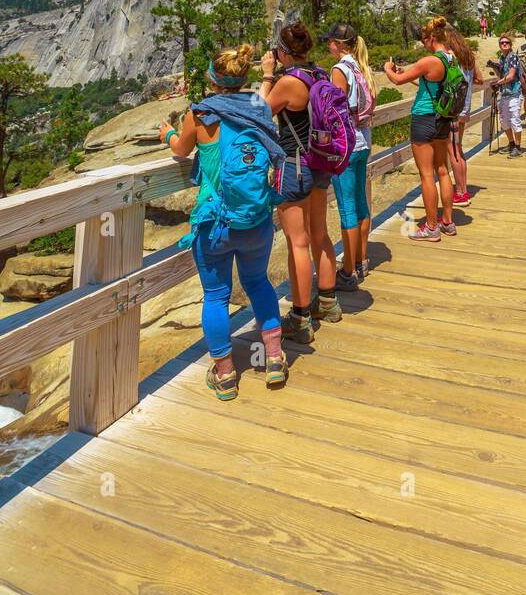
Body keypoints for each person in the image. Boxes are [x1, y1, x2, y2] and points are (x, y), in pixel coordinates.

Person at [159, 43, 287, 401]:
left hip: (214, 223)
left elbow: (180, 151)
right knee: (259, 284)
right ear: (242, 77)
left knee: (216, 296)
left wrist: (168, 134)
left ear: (212, 80)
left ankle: (226, 374)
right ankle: (273, 359)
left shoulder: (200, 115)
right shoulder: (259, 108)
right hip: (255, 219)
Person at [259, 22, 341, 342]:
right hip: (320, 162)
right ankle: (329, 301)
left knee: (298, 242)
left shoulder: (289, 81)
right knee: (319, 233)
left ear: (282, 51)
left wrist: (267, 74)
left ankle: (301, 316)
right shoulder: (319, 73)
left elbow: (261, 113)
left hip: (294, 166)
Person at [384, 15, 457, 241]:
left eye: (424, 39)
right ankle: (447, 222)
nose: (423, 43)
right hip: (442, 118)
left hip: (424, 118)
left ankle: (432, 227)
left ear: (432, 38)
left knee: (427, 175)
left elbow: (397, 81)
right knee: (443, 170)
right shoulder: (450, 58)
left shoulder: (430, 60)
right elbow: (427, 81)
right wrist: (404, 71)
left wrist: (388, 68)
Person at [327, 21, 375, 285]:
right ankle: (361, 260)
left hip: (346, 144)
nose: (328, 44)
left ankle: (348, 272)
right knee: (359, 203)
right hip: (363, 140)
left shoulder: (339, 70)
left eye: (331, 41)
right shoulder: (361, 66)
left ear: (339, 44)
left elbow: (336, 111)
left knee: (346, 209)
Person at [445, 23, 483, 205]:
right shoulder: (468, 56)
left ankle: (461, 192)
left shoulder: (451, 57)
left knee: (453, 150)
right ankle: (463, 188)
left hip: (453, 109)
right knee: (458, 148)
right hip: (464, 107)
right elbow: (480, 79)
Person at [493, 32, 523, 157]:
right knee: (504, 120)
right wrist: (494, 67)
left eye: (507, 42)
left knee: (515, 119)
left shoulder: (513, 57)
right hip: (504, 93)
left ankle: (517, 146)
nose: (504, 44)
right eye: (502, 43)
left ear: (510, 44)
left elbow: (510, 76)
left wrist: (497, 83)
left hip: (514, 92)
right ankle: (511, 143)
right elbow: (501, 75)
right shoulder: (502, 58)